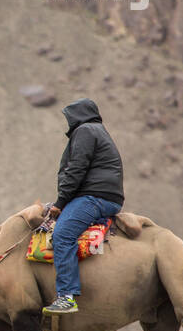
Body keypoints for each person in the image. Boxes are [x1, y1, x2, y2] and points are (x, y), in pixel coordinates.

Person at [43, 98, 124, 315]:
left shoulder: (85, 130)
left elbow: (76, 168)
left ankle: (66, 296)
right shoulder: (98, 130)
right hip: (104, 196)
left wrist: (60, 203)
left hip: (94, 197)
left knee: (62, 235)